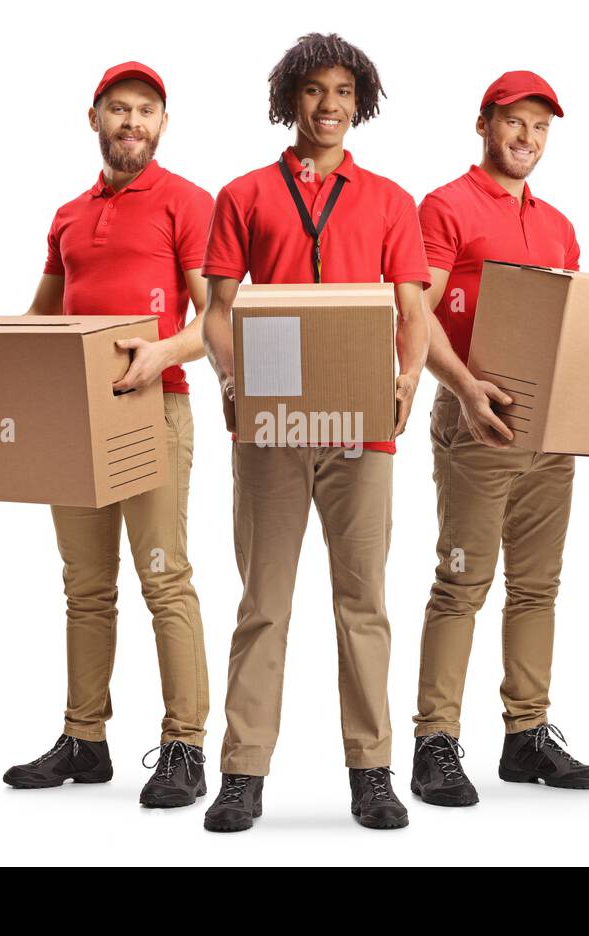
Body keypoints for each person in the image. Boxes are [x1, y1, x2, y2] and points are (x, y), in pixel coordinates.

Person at [199, 33, 430, 831]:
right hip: (270, 428)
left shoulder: (392, 201)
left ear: (359, 100)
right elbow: (219, 310)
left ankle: (371, 769)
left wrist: (406, 380)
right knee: (263, 602)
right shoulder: (244, 195)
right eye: (312, 91)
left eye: (342, 91)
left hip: (362, 427)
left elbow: (414, 311)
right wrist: (231, 380)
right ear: (287, 99)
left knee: (362, 599)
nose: (328, 106)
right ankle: (242, 772)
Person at [2, 61, 214, 809]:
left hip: (153, 410)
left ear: (162, 124)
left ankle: (186, 747)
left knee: (163, 577)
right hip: (75, 417)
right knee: (86, 588)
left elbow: (217, 318)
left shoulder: (188, 203)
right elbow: (42, 316)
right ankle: (83, 739)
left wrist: (161, 352)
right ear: (94, 118)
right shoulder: (67, 214)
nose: (132, 122)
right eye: (119, 109)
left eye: (146, 111)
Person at [409, 71, 589, 808]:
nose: (527, 139)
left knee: (537, 586)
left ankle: (526, 735)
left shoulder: (557, 224)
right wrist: (463, 388)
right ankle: (436, 742)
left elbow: (572, 327)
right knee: (461, 582)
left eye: (540, 127)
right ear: (485, 124)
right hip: (475, 425)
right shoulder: (447, 206)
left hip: (550, 433)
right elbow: (415, 314)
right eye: (514, 123)